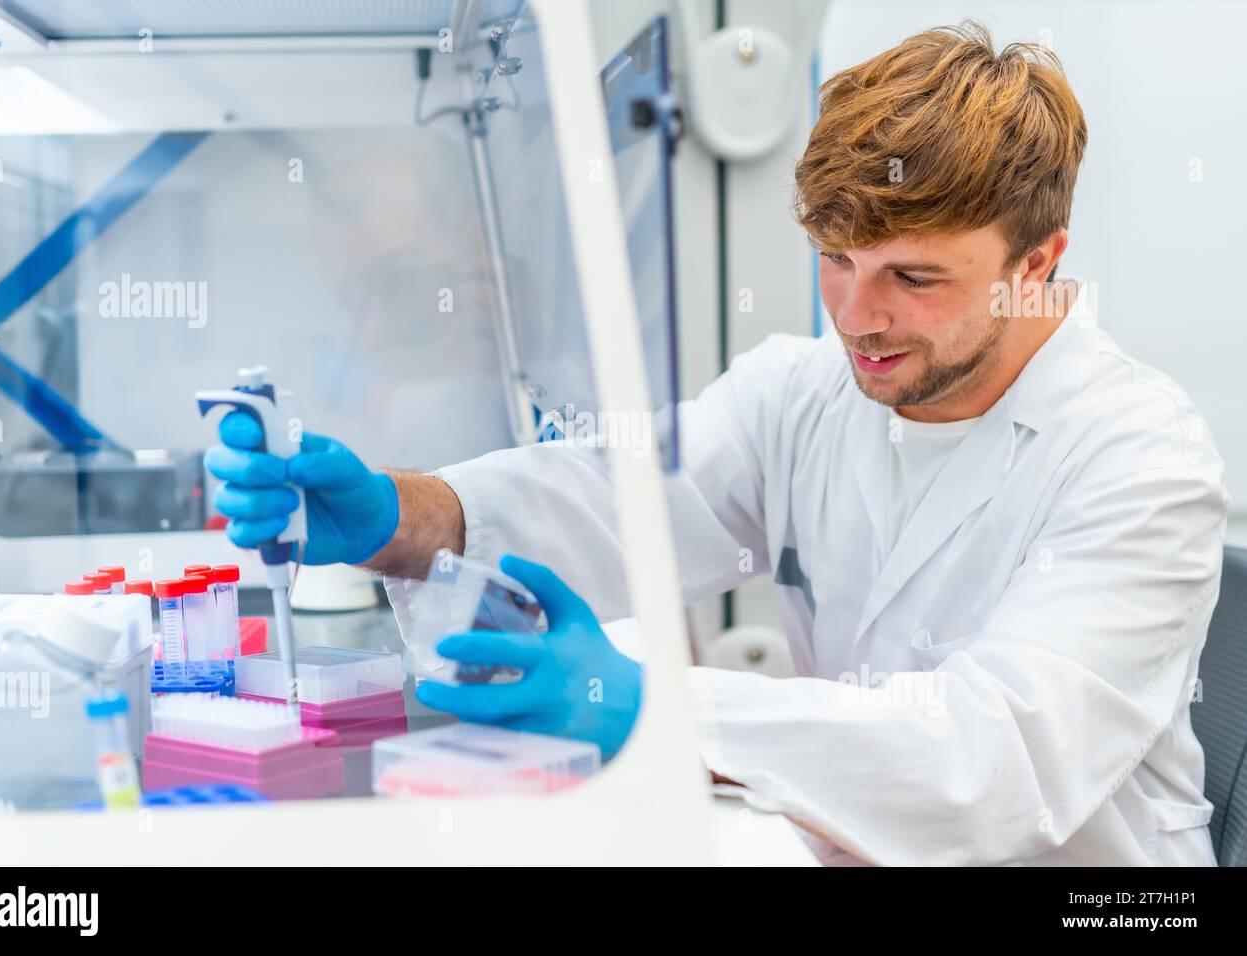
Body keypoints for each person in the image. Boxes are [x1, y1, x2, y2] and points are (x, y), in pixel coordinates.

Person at [205, 23, 1226, 865]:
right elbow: (618, 502)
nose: (856, 318)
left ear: (1037, 262)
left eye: (913, 278)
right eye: (835, 258)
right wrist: (399, 514)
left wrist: (654, 706)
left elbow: (989, 759)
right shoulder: (804, 389)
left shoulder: (1139, 458)